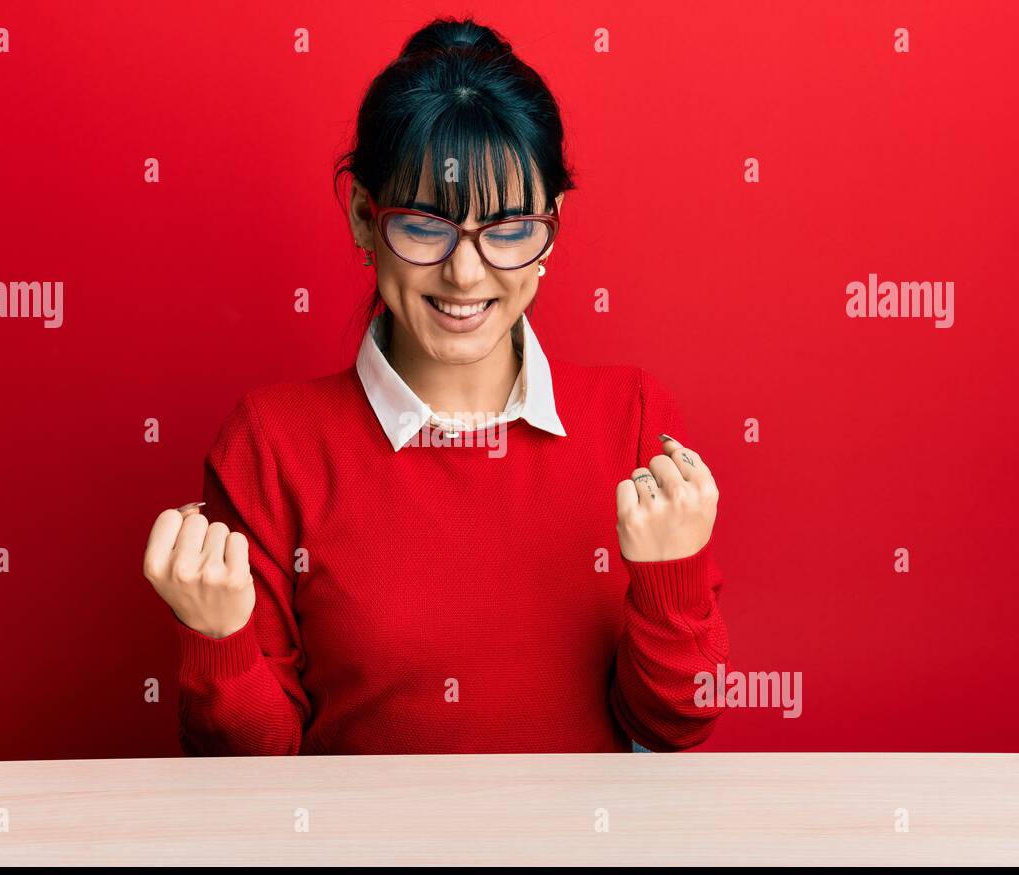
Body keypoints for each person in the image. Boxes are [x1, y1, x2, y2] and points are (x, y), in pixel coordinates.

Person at [142, 16, 731, 755]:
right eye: (425, 226)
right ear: (363, 215)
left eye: (510, 230)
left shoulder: (632, 418)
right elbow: (258, 768)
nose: (465, 273)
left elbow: (676, 724)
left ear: (553, 228)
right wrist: (218, 640)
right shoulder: (272, 444)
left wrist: (669, 579)